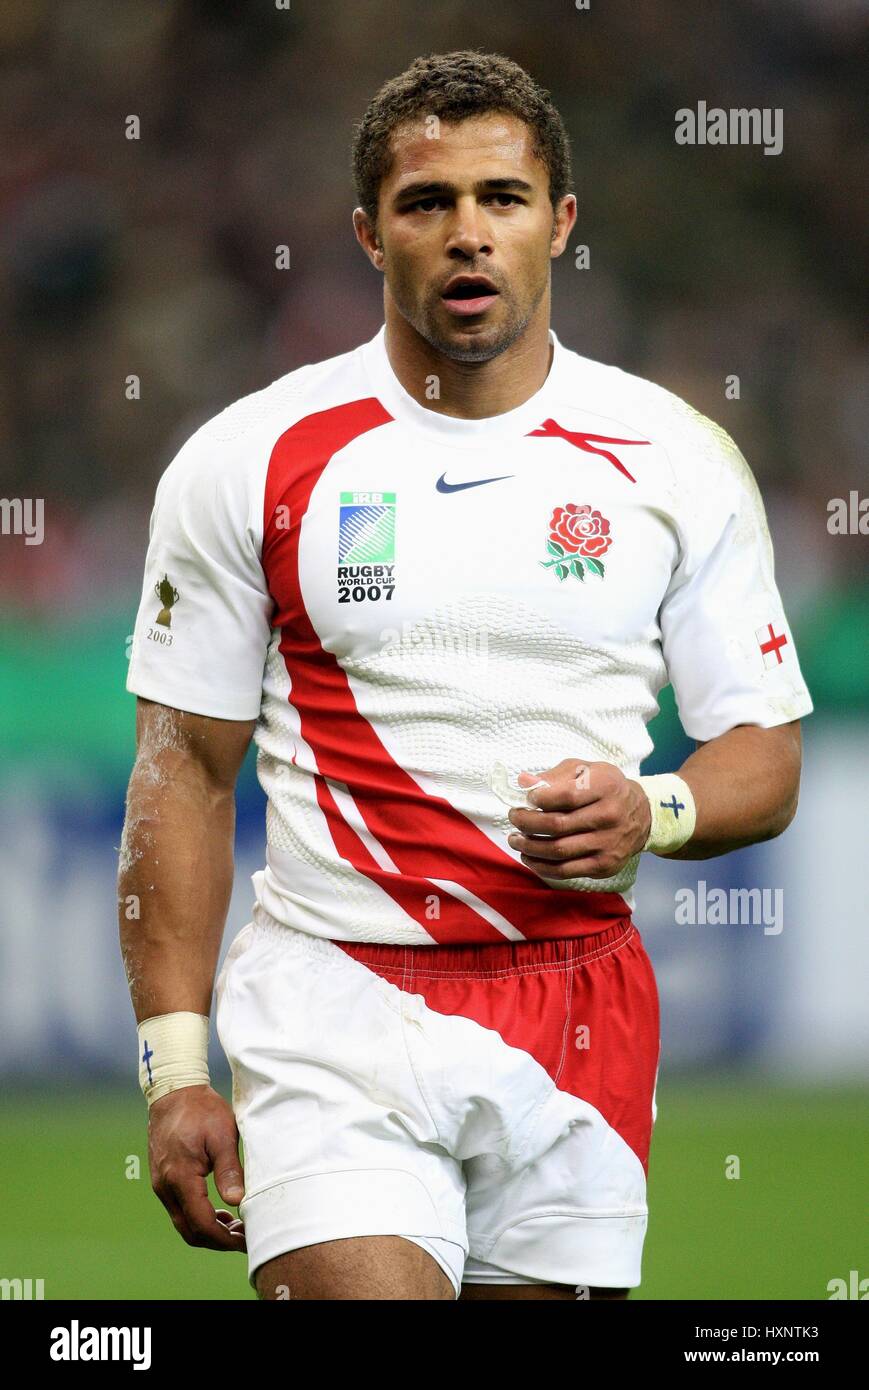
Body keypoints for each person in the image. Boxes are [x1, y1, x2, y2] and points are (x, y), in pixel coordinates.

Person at [119, 50, 813, 1301]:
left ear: (559, 222)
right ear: (369, 235)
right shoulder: (248, 457)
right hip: (332, 996)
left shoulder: (675, 458)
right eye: (425, 203)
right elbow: (181, 776)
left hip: (580, 1005)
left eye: (500, 197)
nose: (466, 234)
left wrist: (654, 806)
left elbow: (760, 757)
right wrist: (175, 1069)